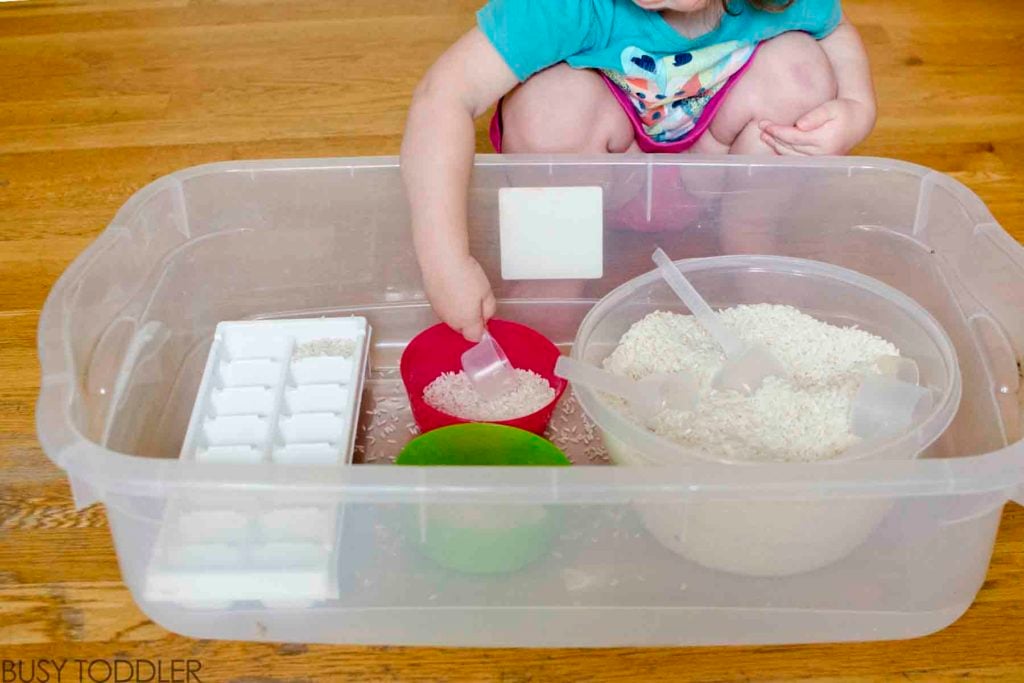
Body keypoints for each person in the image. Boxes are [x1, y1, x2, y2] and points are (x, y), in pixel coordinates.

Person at [401, 0, 875, 341]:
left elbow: (833, 29)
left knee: (800, 69)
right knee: (549, 104)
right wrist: (445, 261)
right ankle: (555, 268)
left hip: (712, 167)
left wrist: (856, 107)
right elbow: (444, 97)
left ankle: (749, 232)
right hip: (598, 174)